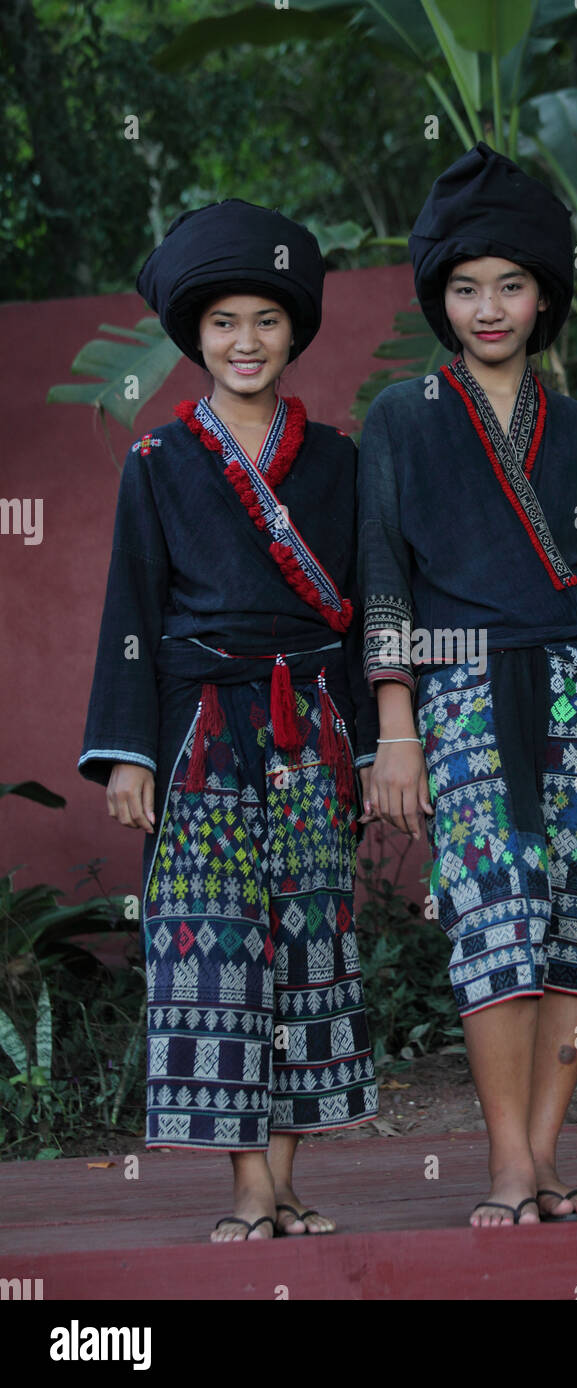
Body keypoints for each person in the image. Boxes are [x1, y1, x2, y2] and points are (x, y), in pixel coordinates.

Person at [358, 143, 577, 1227]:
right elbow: (382, 581)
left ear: (543, 294)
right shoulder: (401, 418)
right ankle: (502, 1159)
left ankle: (544, 1154)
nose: (486, 307)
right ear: (438, 298)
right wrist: (393, 728)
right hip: (462, 703)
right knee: (493, 924)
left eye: (507, 284)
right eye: (463, 287)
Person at [79, 198, 379, 1241]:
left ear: (293, 331)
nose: (243, 341)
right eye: (221, 323)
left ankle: (285, 1181)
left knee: (306, 948)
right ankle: (249, 1187)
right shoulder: (159, 462)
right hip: (199, 733)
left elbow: (368, 609)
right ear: (193, 338)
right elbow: (131, 611)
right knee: (218, 957)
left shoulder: (341, 461)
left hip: (312, 732)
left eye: (263, 319)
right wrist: (127, 753)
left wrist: (377, 748)